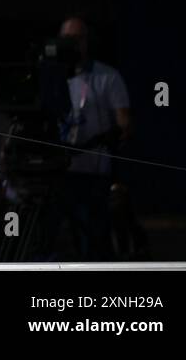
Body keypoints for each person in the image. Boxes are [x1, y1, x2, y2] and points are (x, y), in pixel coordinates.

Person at [58, 16, 131, 260]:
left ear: (88, 42)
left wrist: (109, 137)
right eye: (67, 39)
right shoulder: (54, 78)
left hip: (94, 175)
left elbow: (124, 124)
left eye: (78, 39)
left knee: (94, 241)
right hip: (60, 172)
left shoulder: (108, 77)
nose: (73, 44)